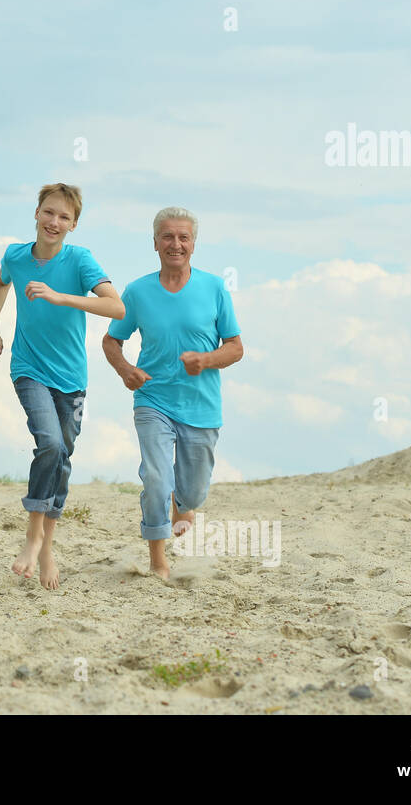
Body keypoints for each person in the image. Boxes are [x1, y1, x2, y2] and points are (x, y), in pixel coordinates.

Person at [0, 183, 124, 589]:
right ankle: (32, 537)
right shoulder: (16, 255)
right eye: (48, 212)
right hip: (28, 367)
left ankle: (46, 548)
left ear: (73, 224)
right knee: (50, 443)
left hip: (72, 379)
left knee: (61, 460)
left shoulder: (80, 261)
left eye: (63, 217)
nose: (54, 222)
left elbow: (116, 306)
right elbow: (0, 282)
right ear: (36, 214)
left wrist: (63, 298)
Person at [102, 207, 242, 580]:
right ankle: (158, 561)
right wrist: (125, 369)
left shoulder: (214, 288)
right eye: (167, 237)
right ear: (155, 243)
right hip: (153, 399)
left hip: (202, 406)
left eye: (183, 237)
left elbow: (236, 347)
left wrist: (207, 360)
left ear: (193, 244)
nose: (175, 244)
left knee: (193, 494)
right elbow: (111, 340)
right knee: (156, 479)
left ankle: (184, 504)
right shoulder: (138, 291)